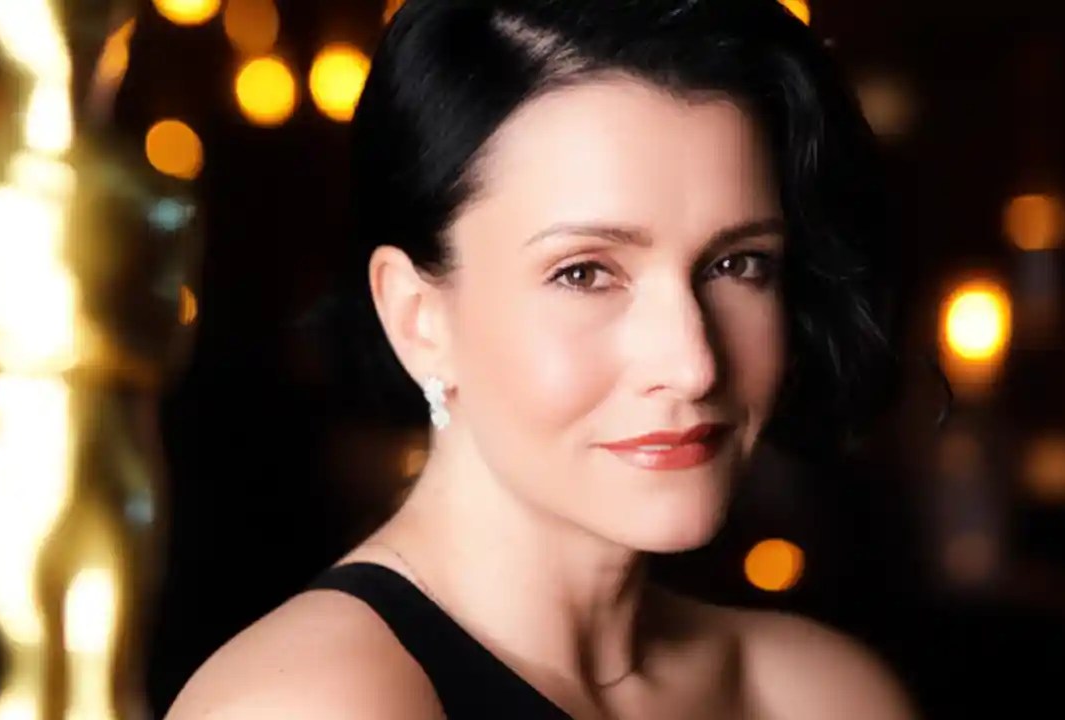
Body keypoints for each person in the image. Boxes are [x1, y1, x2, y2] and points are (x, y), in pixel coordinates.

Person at [167, 0, 917, 717]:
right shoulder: (306, 706)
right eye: (584, 273)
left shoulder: (824, 695)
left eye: (737, 264)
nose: (694, 365)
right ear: (418, 317)